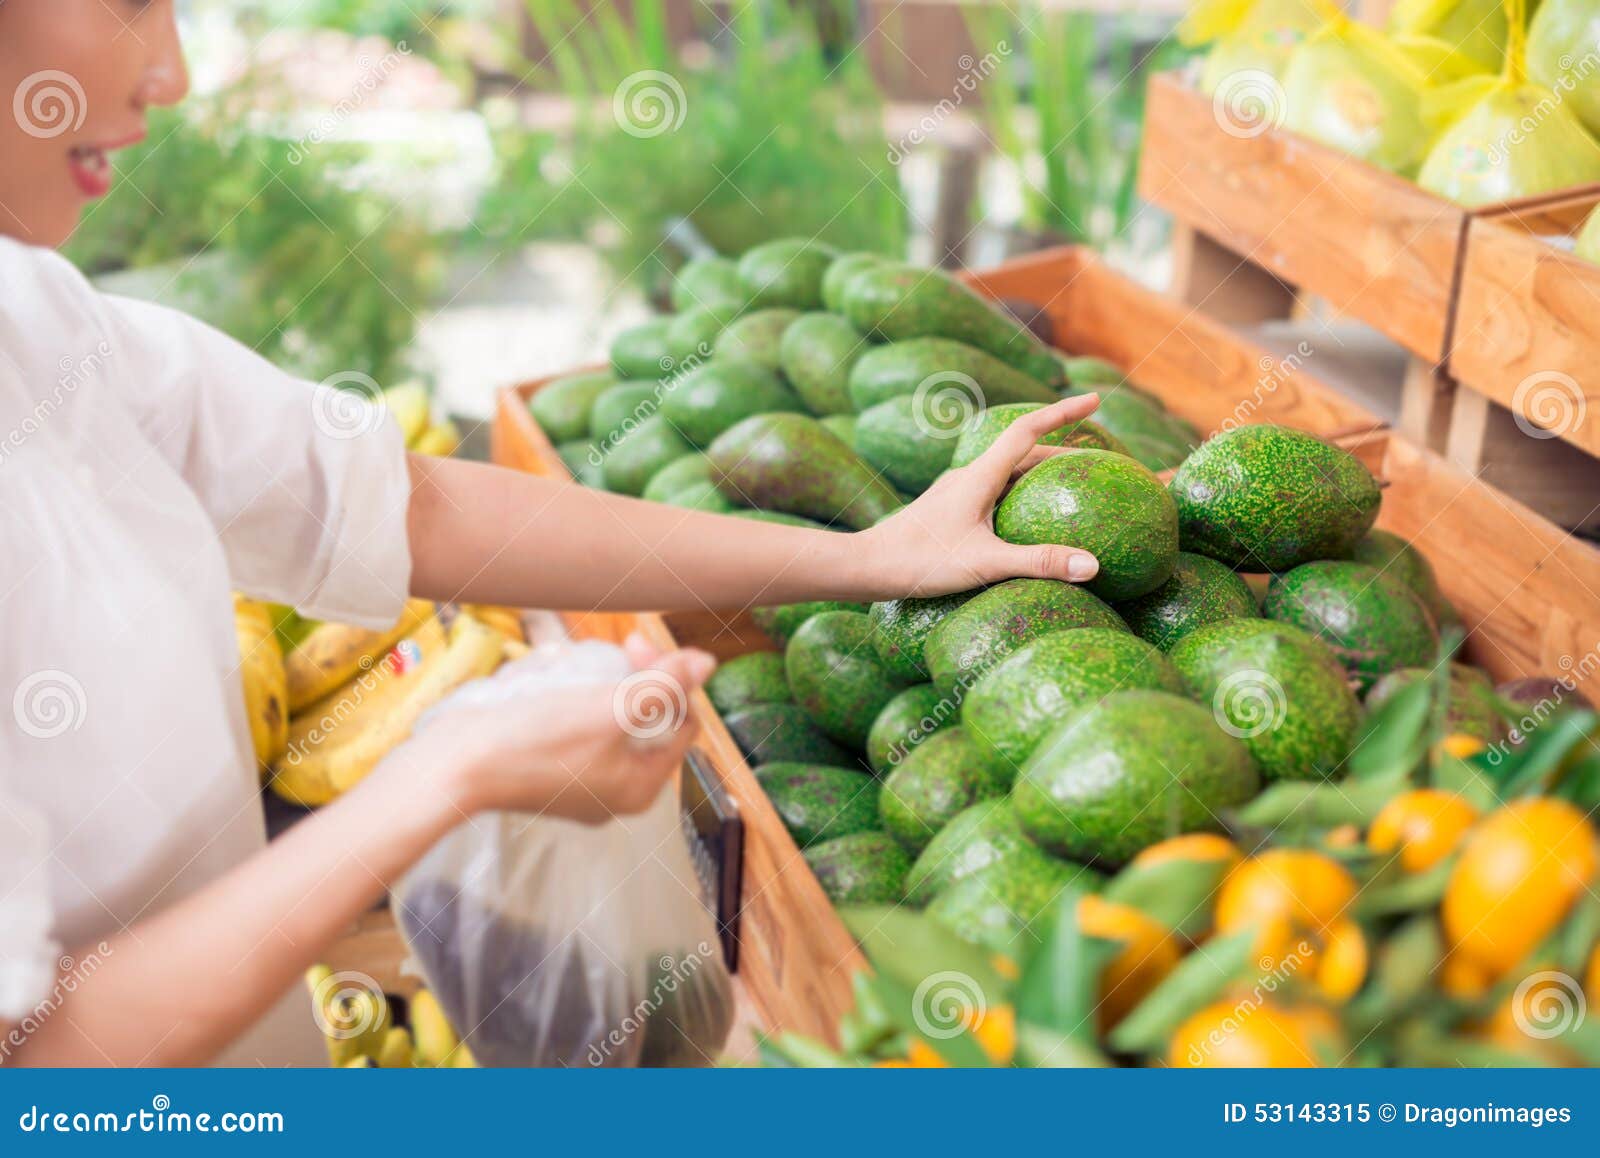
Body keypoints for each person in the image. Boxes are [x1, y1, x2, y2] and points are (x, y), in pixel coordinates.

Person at [0, 0, 1100, 1066]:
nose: (173, 74)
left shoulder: (46, 322)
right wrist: (447, 779)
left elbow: (410, 506)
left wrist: (868, 557)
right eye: (129, 0)